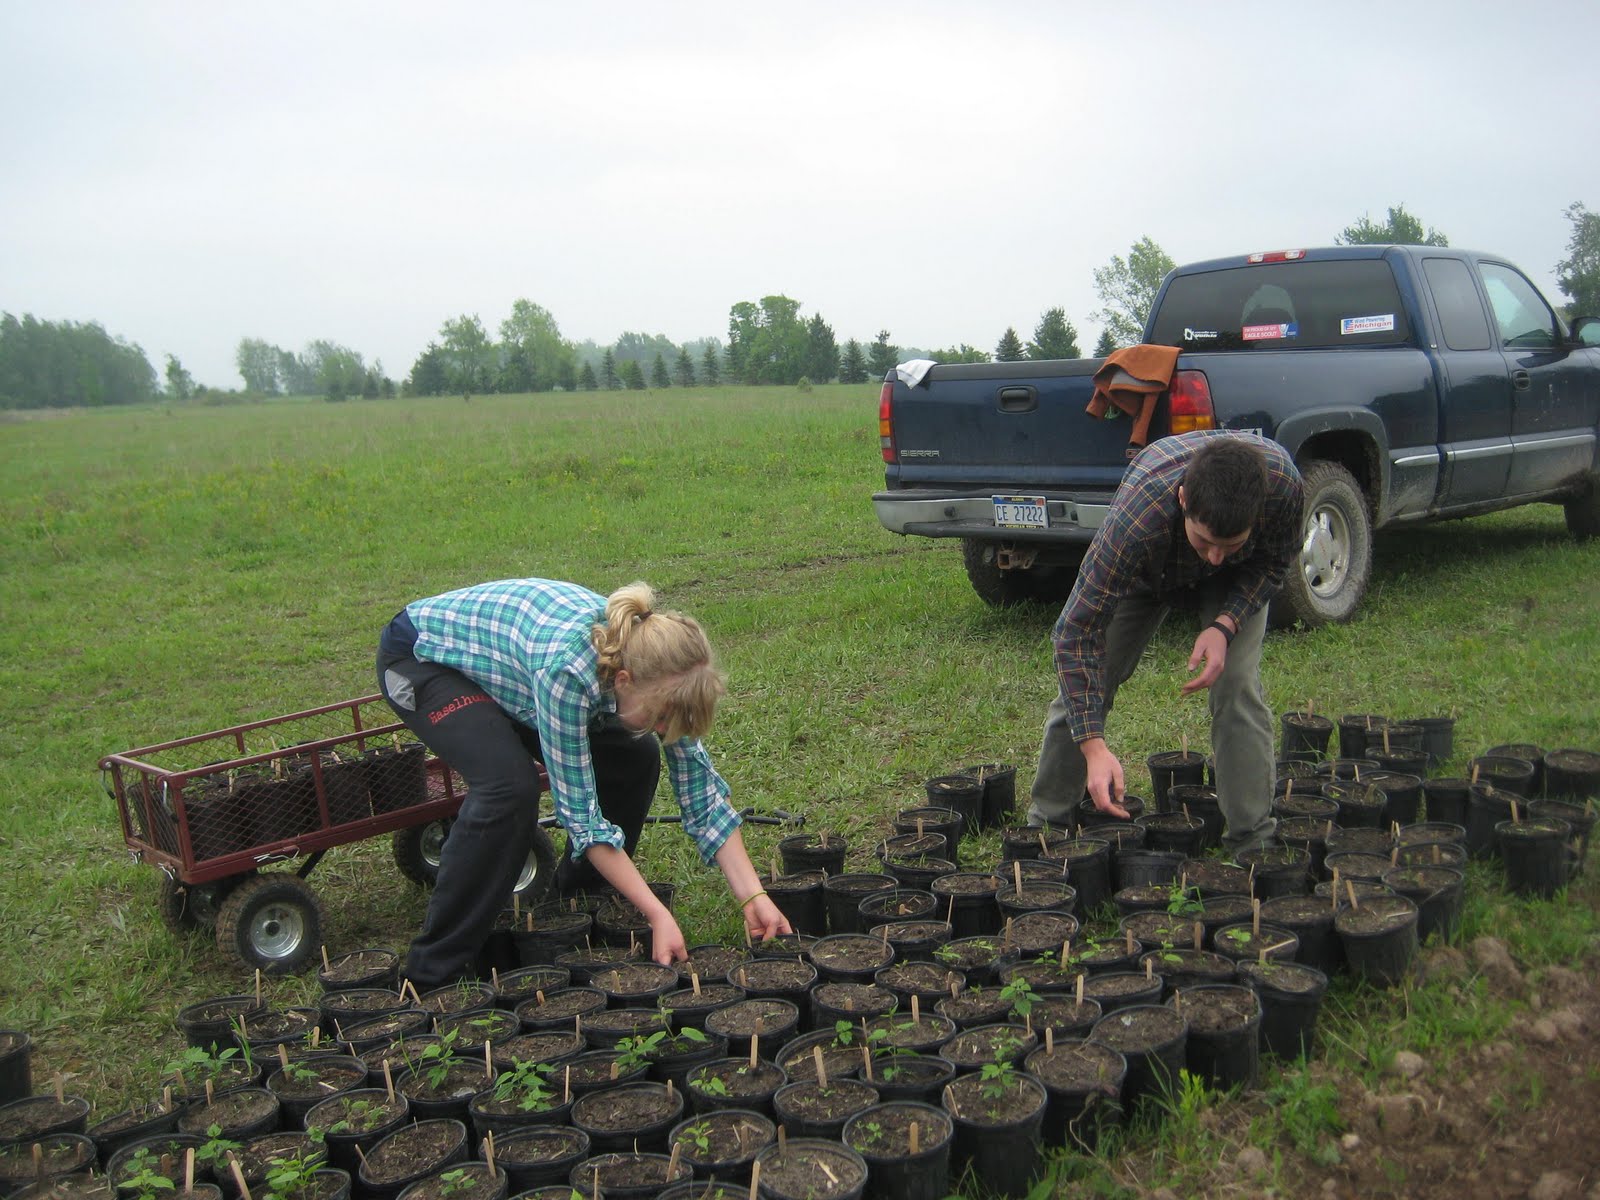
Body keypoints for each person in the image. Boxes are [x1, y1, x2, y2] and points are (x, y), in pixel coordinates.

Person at [376, 577, 791, 987]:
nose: (666, 728)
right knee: (508, 787)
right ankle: (431, 971)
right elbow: (582, 819)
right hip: (422, 658)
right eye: (660, 716)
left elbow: (704, 798)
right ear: (624, 681)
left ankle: (578, 904)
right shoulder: (567, 672)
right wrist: (656, 914)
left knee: (636, 753)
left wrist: (754, 897)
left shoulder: (665, 671)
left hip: (515, 669)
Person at [1027, 431, 1304, 851]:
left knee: (1237, 687)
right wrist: (1094, 746)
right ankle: (1047, 826)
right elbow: (1076, 632)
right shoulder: (1137, 520)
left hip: (1239, 580)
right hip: (1150, 568)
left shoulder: (1283, 488)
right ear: (1182, 500)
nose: (1213, 556)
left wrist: (1226, 624)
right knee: (1090, 679)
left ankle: (1252, 842)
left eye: (1229, 544)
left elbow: (1276, 563)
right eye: (1205, 541)